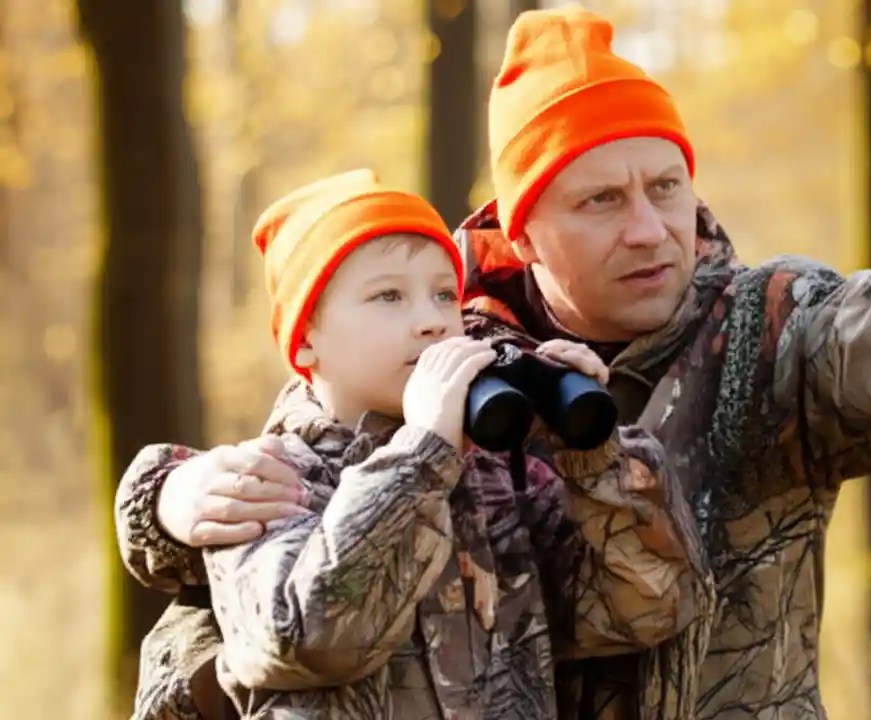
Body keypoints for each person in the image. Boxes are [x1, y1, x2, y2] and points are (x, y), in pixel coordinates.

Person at [120, 7, 871, 718]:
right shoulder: (422, 362)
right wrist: (163, 503)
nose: (650, 230)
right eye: (600, 200)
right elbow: (257, 568)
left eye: (664, 188)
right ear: (523, 230)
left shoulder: (765, 332)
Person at [115, 170, 710, 718]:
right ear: (305, 345)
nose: (431, 321)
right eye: (388, 297)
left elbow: (646, 608)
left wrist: (593, 455)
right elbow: (307, 640)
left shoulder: (494, 479)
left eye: (444, 294)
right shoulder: (264, 483)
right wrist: (421, 454)